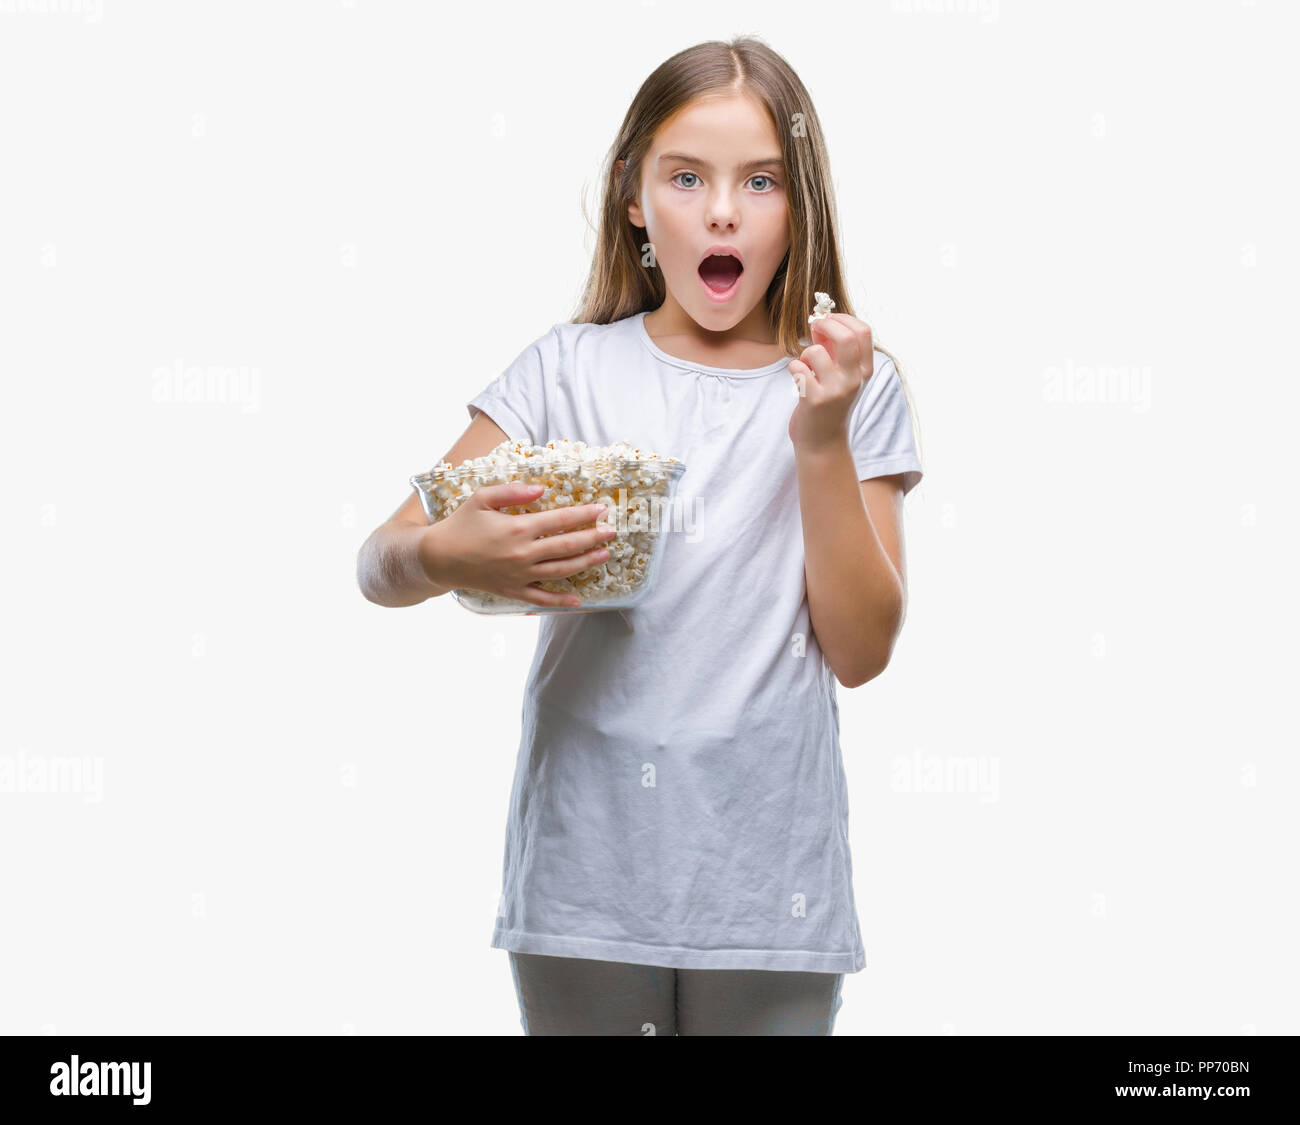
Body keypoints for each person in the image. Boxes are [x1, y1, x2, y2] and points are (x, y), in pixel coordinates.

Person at [357, 35, 924, 1035]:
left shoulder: (848, 384)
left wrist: (822, 435)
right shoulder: (566, 372)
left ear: (801, 205)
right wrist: (446, 553)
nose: (720, 210)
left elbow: (862, 651)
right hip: (586, 876)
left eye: (759, 181)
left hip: (769, 881)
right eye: (686, 176)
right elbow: (381, 562)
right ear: (632, 196)